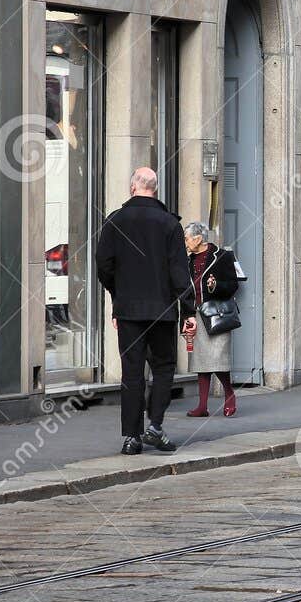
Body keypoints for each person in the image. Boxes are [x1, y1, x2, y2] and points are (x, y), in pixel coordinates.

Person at [97, 167, 193, 455]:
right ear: (156, 189)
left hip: (129, 311)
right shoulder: (169, 223)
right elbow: (179, 272)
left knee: (132, 373)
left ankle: (131, 437)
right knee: (163, 368)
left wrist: (118, 297)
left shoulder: (115, 221)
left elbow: (104, 266)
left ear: (132, 188)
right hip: (162, 310)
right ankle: (155, 427)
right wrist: (188, 311)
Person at [183, 221, 243, 419]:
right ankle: (202, 406)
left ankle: (229, 394)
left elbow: (233, 285)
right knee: (201, 362)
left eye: (187, 238)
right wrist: (186, 315)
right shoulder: (188, 261)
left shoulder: (223, 256)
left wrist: (216, 285)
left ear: (198, 239)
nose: (185, 242)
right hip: (197, 314)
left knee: (217, 360)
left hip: (218, 315)